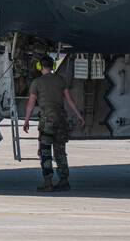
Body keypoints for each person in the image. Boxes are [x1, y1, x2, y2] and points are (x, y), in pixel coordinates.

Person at [23, 55, 84, 192]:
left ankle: (48, 182)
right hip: (61, 120)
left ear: (40, 67)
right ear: (53, 66)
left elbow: (31, 104)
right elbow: (69, 100)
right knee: (60, 151)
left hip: (47, 121)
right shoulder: (61, 80)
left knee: (45, 151)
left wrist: (26, 120)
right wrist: (79, 116)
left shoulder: (37, 82)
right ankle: (64, 180)